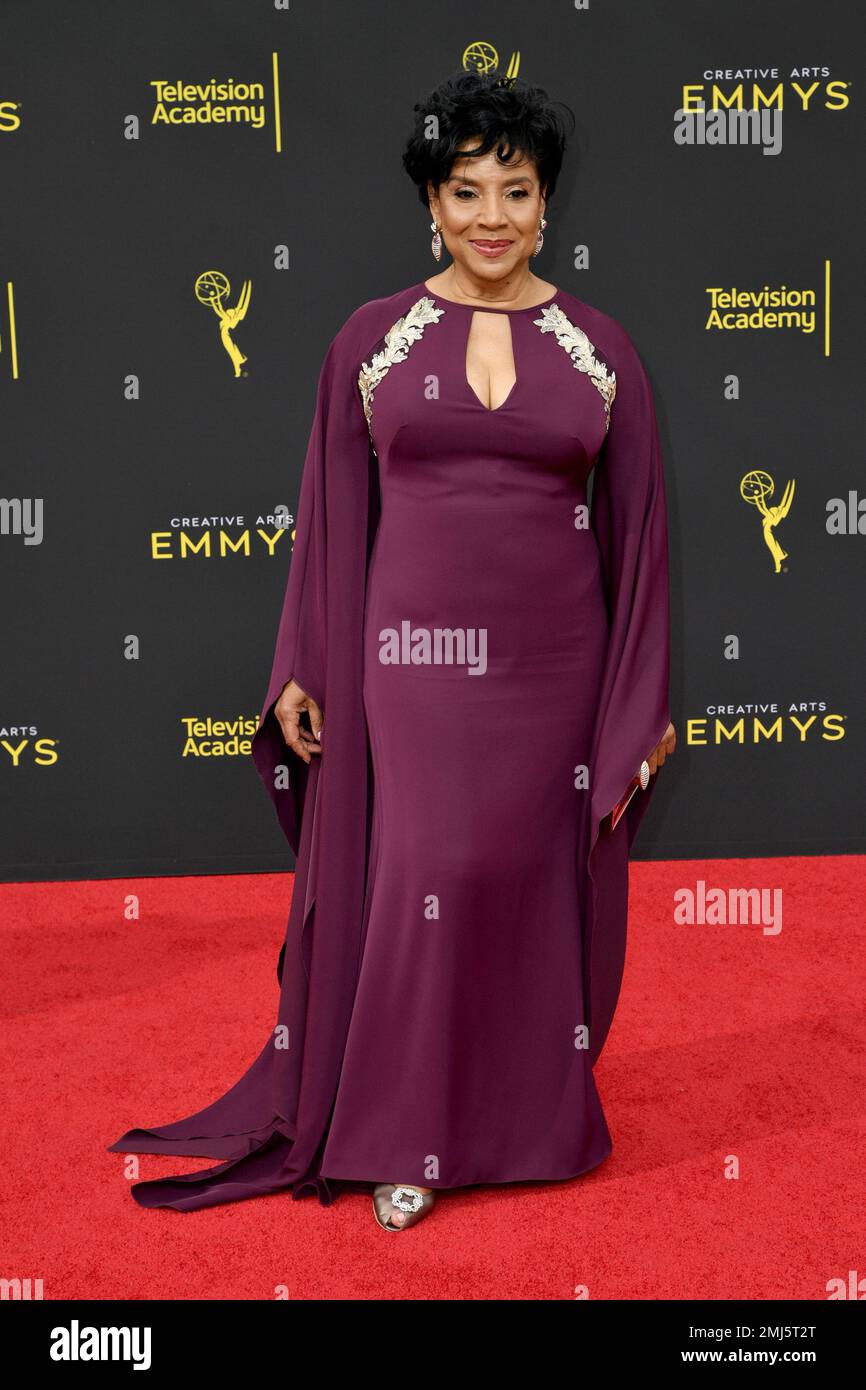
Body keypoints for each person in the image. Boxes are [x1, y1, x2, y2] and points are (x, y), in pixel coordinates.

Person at [108, 68, 675, 1233]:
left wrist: (636, 708)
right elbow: (328, 519)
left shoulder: (601, 348)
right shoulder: (369, 338)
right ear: (430, 199)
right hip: (409, 666)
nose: (489, 217)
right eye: (464, 191)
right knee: (429, 872)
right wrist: (302, 662)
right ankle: (406, 1134)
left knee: (520, 884)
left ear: (545, 204)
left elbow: (643, 542)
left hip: (551, 673)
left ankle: (529, 1124)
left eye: (513, 192)